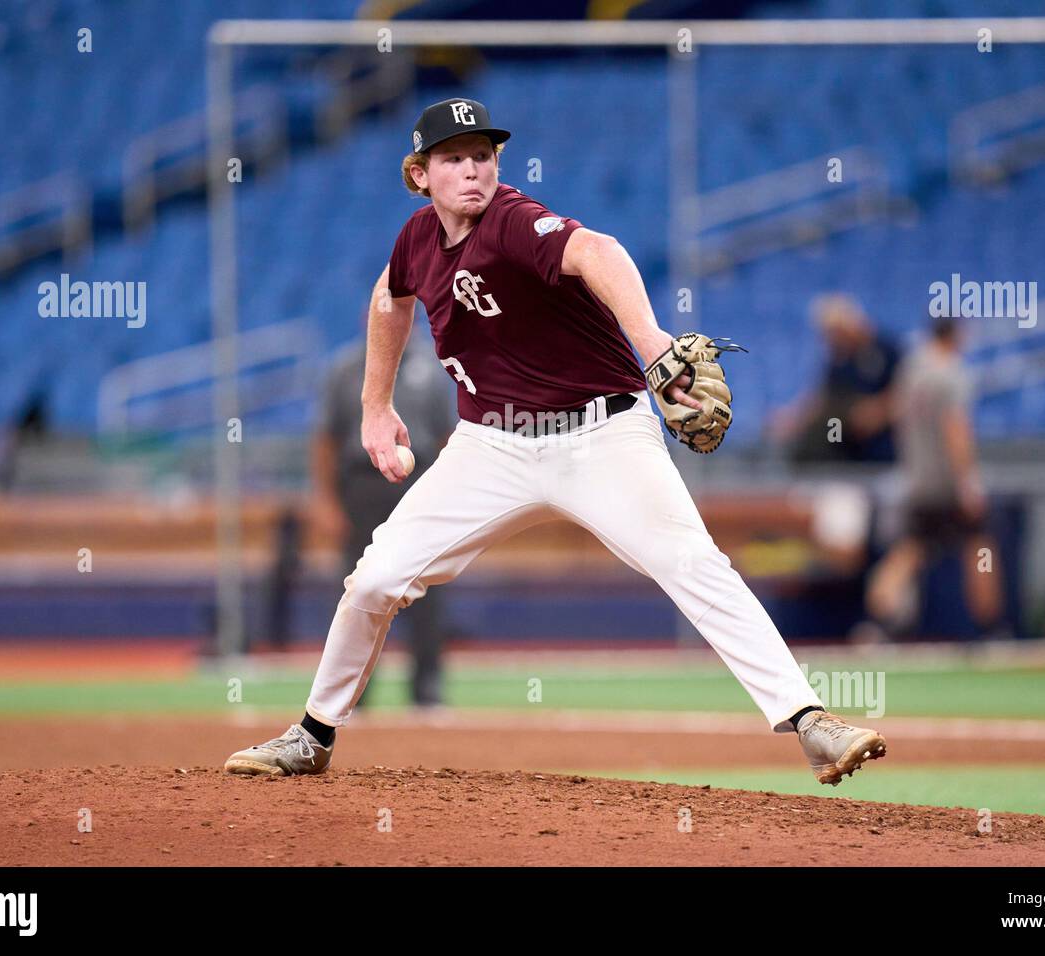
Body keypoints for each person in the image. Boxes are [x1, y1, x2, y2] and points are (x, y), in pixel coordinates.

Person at [224, 98, 887, 786]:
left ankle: (810, 721)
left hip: (601, 433)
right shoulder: (415, 241)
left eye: (483, 155)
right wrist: (374, 405)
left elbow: (599, 250)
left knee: (692, 562)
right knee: (377, 577)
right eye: (454, 158)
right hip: (491, 446)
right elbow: (390, 297)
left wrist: (653, 343)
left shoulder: (512, 222)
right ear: (419, 174)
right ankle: (313, 734)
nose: (473, 170)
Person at [312, 323, 457, 706]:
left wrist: (448, 494)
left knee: (426, 585)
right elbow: (326, 439)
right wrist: (327, 501)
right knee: (357, 586)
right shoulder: (346, 369)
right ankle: (349, 697)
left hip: (419, 485)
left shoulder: (432, 367)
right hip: (363, 488)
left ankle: (427, 688)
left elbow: (447, 437)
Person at [865, 316, 1003, 637]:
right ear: (956, 335)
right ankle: (992, 629)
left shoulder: (912, 370)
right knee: (980, 549)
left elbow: (895, 417)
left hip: (918, 480)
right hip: (947, 484)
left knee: (911, 549)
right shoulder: (951, 373)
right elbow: (956, 430)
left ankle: (878, 621)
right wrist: (967, 482)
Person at [769, 294, 901, 464]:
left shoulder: (887, 349)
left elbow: (908, 389)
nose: (832, 340)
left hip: (887, 444)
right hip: (853, 443)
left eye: (835, 332)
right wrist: (793, 418)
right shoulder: (839, 360)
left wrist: (880, 411)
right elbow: (823, 397)